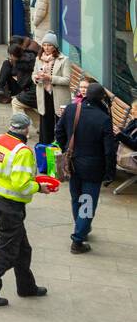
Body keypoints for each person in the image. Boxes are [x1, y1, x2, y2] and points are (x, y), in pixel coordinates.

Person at [0, 112, 54, 306]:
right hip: (11, 206)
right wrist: (39, 187)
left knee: (23, 248)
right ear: (27, 129)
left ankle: (26, 286)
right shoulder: (23, 151)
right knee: (6, 251)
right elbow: (22, 184)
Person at [55, 82, 118, 254]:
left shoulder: (71, 109)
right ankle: (78, 240)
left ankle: (81, 227)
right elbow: (109, 150)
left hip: (72, 163)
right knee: (88, 201)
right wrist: (110, 172)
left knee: (76, 197)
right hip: (93, 167)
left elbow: (58, 132)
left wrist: (66, 148)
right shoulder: (103, 118)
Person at [31, 33, 71, 144]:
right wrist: (37, 78)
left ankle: (60, 147)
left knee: (60, 122)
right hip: (44, 94)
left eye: (49, 45)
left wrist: (50, 78)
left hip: (58, 95)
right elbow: (33, 74)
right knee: (45, 121)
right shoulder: (39, 59)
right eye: (44, 45)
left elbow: (67, 80)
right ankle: (44, 147)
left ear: (55, 47)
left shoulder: (63, 60)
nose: (47, 48)